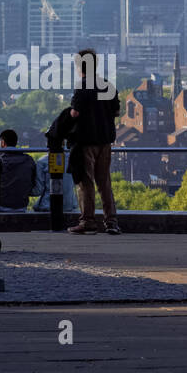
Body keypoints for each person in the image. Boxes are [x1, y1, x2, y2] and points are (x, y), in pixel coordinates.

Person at [67, 48, 121, 235]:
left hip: (86, 141)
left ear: (78, 66)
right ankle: (111, 221)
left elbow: (75, 113)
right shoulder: (107, 85)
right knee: (104, 181)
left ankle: (88, 221)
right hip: (105, 140)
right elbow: (116, 112)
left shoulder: (82, 86)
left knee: (85, 182)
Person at [0, 128, 38, 213]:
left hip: (1, 205)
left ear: (3, 143)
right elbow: (33, 182)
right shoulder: (28, 160)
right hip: (21, 205)